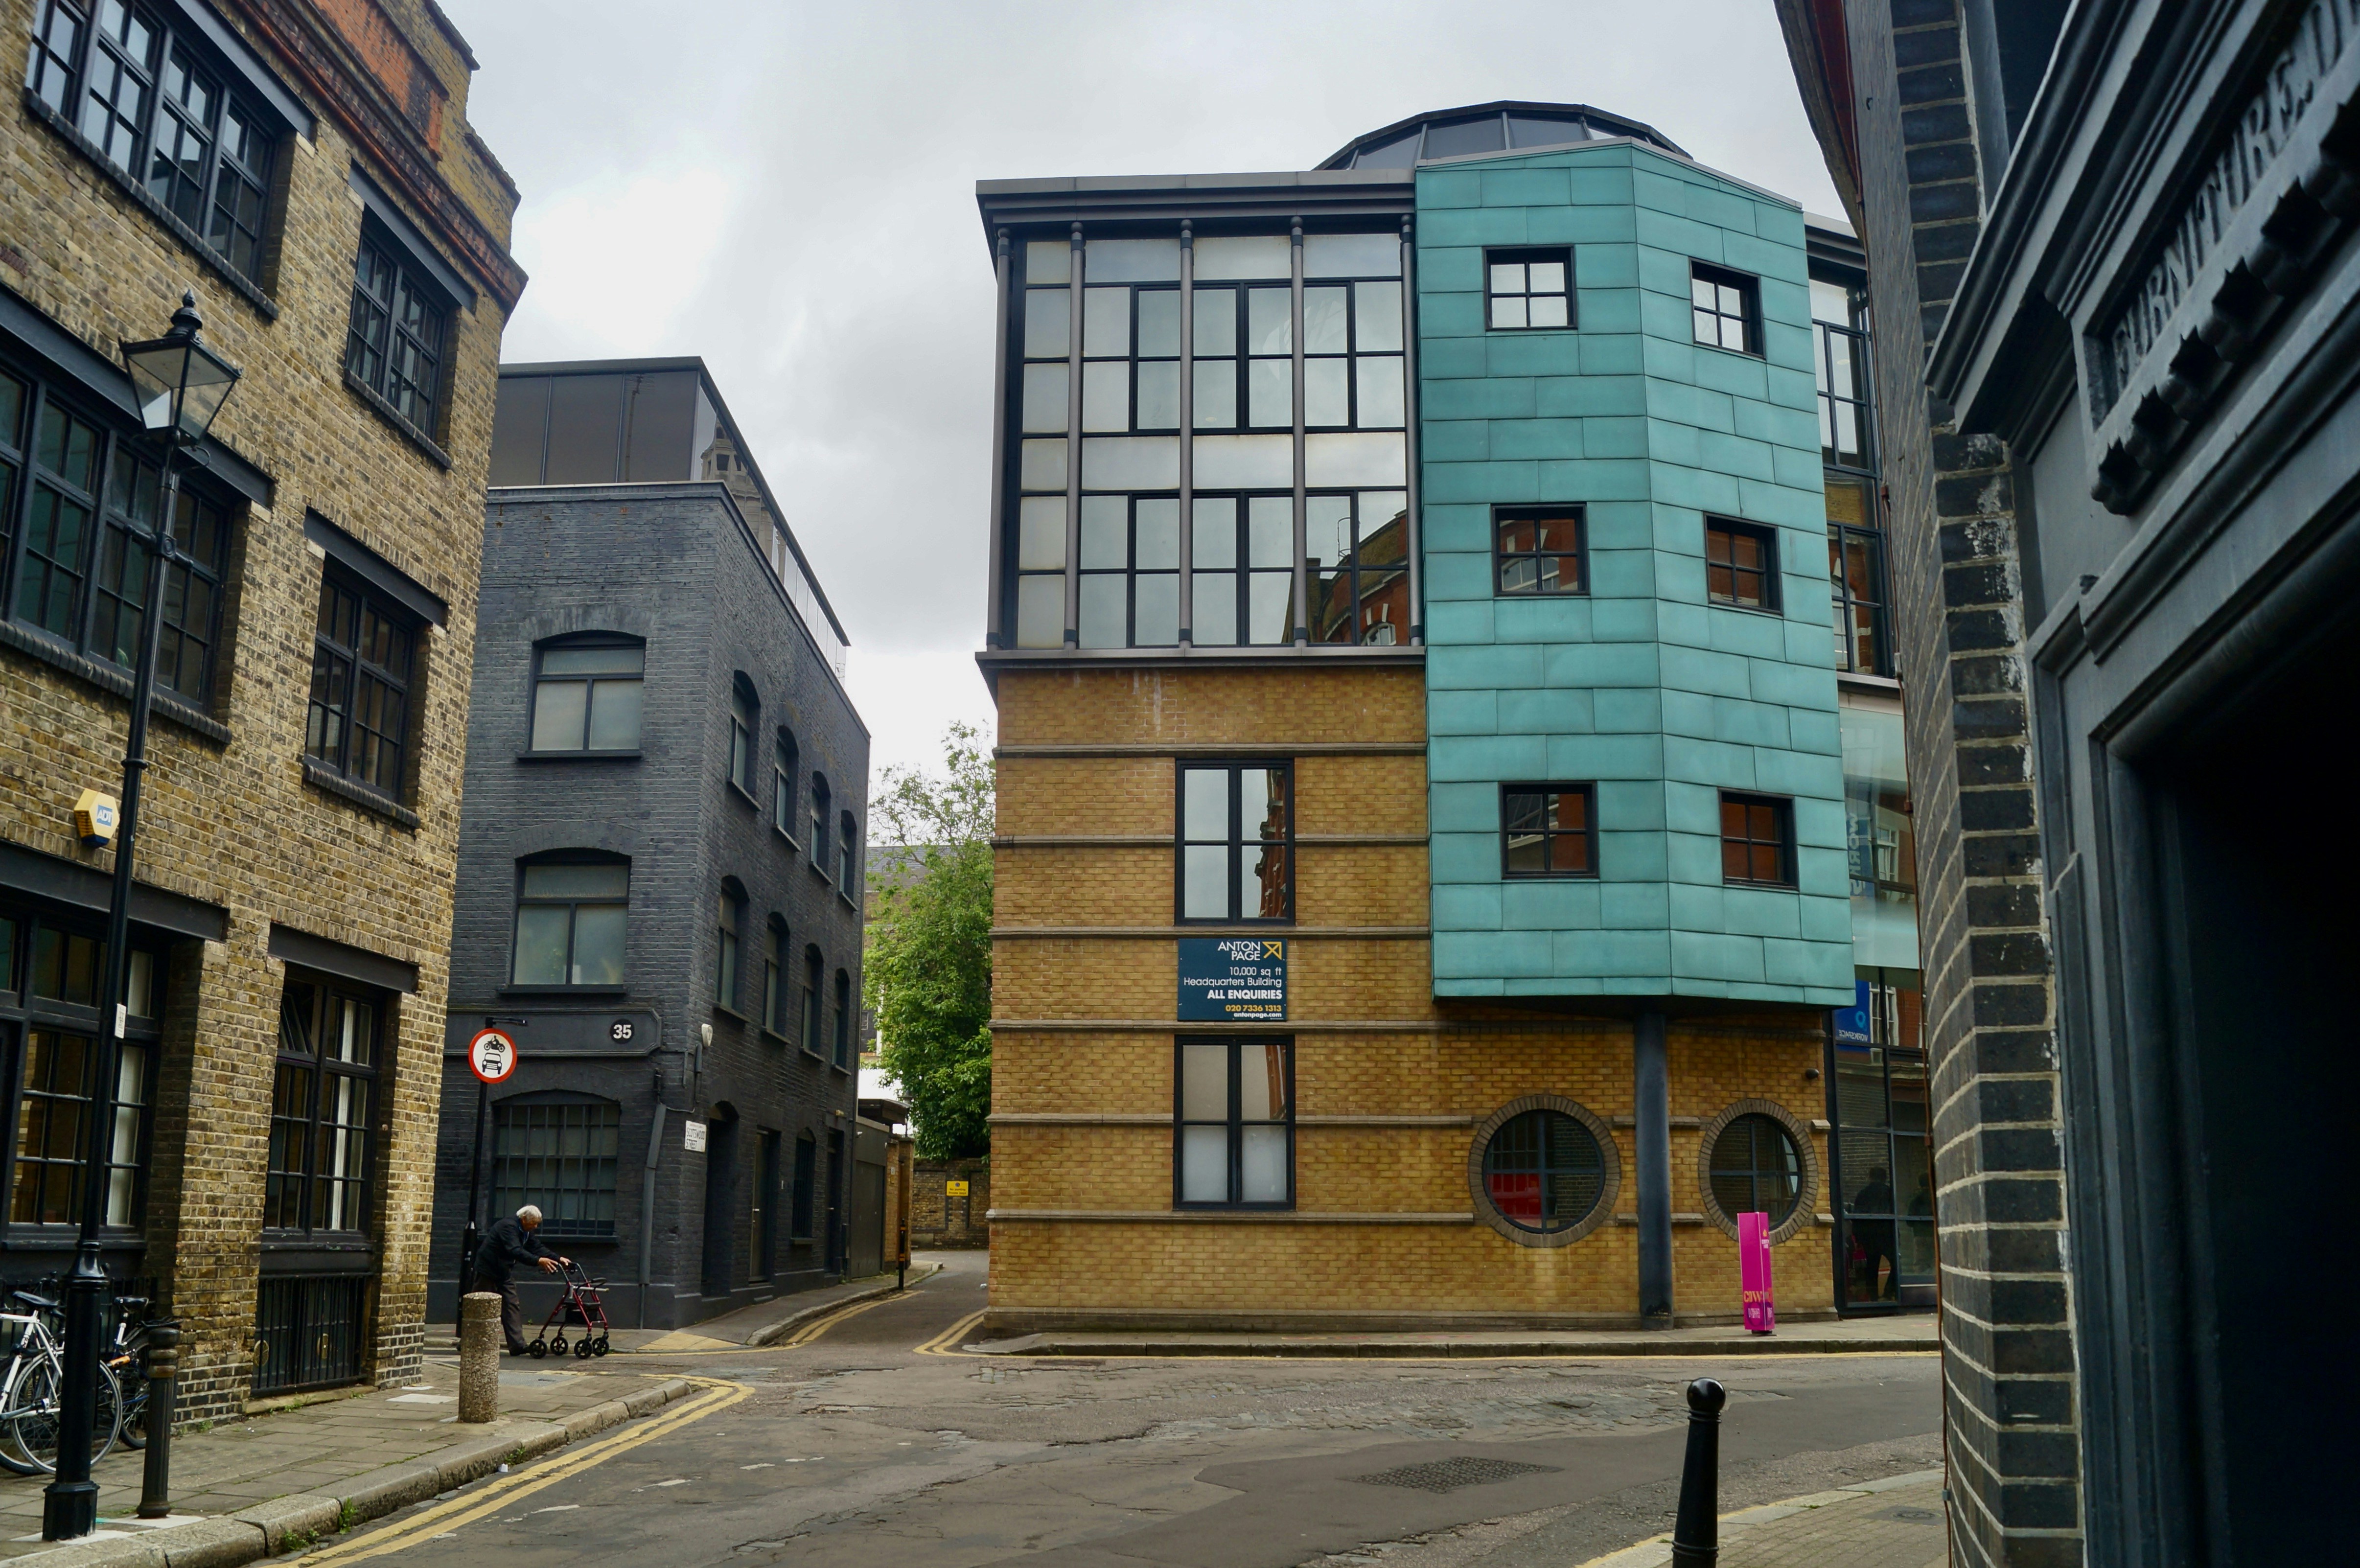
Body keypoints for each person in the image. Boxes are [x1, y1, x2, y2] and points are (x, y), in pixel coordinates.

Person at [471, 1204, 571, 1355]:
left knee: (512, 1305)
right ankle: (470, 1341)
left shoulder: (526, 1230)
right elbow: (515, 1250)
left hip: (504, 1272)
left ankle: (517, 1345)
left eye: (537, 1223)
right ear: (524, 1219)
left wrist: (558, 1258)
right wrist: (539, 1261)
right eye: (534, 1223)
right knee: (481, 1307)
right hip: (488, 1270)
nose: (536, 1226)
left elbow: (537, 1248)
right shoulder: (508, 1227)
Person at [1851, 1165, 1900, 1301]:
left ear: (1870, 1177)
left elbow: (1857, 1217)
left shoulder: (1863, 1194)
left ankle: (1873, 1297)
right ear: (1884, 1178)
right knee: (1896, 1263)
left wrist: (1858, 1238)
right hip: (1887, 1234)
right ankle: (1889, 1291)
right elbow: (1894, 1214)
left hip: (1869, 1236)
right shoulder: (1889, 1193)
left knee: (1872, 1267)